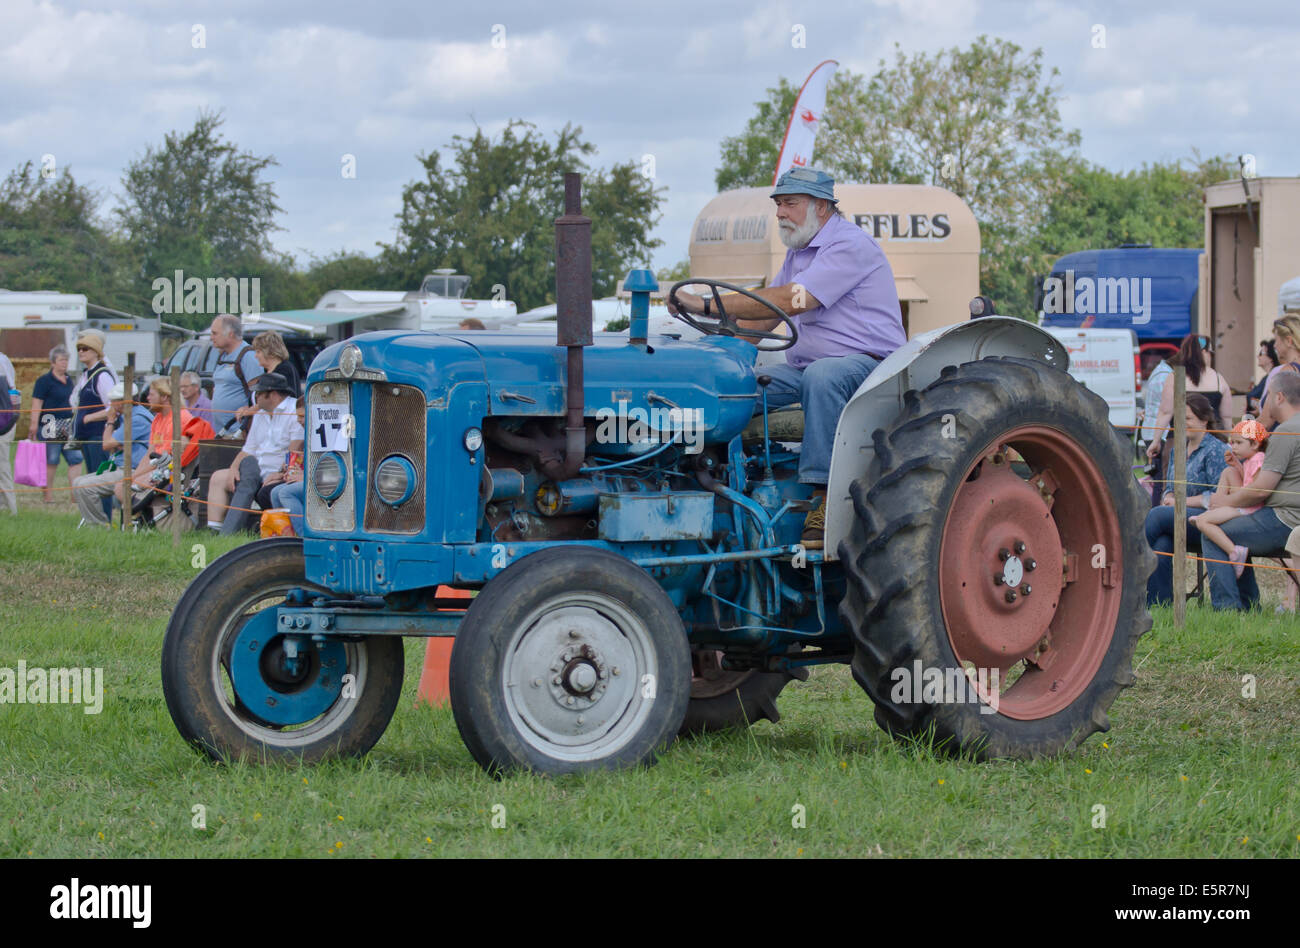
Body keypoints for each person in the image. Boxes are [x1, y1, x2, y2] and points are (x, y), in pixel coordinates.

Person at [666, 167, 905, 548]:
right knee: (735, 389)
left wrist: (707, 303)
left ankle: (825, 498)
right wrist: (721, 365)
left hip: (871, 368)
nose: (780, 213)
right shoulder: (799, 253)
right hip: (804, 368)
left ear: (822, 207)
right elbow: (763, 313)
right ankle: (705, 479)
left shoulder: (849, 245)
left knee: (823, 376)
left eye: (790, 203)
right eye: (778, 204)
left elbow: (790, 300)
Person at [1202, 372, 1300, 610]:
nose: (1262, 403)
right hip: (1290, 517)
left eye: (1264, 397)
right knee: (1231, 534)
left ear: (1278, 397)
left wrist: (1224, 502)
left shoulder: (1286, 431)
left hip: (1284, 518)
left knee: (1214, 535)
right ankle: (1247, 604)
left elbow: (1260, 490)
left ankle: (1230, 609)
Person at [1143, 393, 1228, 606]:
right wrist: (1168, 496)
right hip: (1177, 518)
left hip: (1206, 520)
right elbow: (1169, 487)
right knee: (1160, 546)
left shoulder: (1216, 450)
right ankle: (1160, 605)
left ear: (1204, 419)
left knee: (1157, 515)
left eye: (1188, 418)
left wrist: (1181, 504)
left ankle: (1131, 557)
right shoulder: (1177, 450)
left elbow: (1218, 498)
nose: (1182, 424)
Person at [206, 373, 303, 534]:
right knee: (218, 478)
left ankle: (233, 530)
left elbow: (295, 451)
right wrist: (233, 469)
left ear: (272, 394)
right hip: (256, 469)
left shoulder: (294, 411)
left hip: (277, 471)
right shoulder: (260, 415)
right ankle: (214, 531)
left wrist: (280, 473)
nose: (255, 397)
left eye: (258, 393)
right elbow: (248, 449)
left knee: (256, 483)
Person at [112, 376, 210, 509]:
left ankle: (143, 521)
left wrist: (136, 479)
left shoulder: (179, 419)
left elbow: (164, 459)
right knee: (122, 485)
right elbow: (150, 453)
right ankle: (139, 521)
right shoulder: (158, 418)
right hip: (157, 467)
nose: (147, 398)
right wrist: (134, 476)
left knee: (123, 487)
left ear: (164, 397)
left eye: (152, 394)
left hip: (169, 471)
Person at [1190, 419, 1269, 576]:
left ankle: (1234, 552)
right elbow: (1247, 480)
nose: (1234, 447)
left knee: (1202, 521)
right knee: (1228, 471)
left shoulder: (1259, 458)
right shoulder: (1250, 460)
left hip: (1248, 507)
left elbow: (1255, 488)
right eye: (1232, 443)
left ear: (1255, 444)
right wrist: (1236, 465)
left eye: (1239, 443)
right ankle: (1215, 509)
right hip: (1244, 503)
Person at [71, 381, 153, 527]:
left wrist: (110, 421)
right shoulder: (129, 415)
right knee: (77, 482)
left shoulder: (136, 419)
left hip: (133, 470)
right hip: (121, 465)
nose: (110, 404)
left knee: (84, 486)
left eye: (113, 401)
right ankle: (96, 523)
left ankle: (98, 527)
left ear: (122, 403)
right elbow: (112, 444)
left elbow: (106, 444)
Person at [28, 344, 84, 502]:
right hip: (49, 423)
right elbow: (37, 403)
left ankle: (75, 495)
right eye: (61, 360)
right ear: (53, 362)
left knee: (76, 458)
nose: (64, 363)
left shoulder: (69, 380)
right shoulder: (44, 381)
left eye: (66, 360)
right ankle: (48, 496)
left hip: (68, 423)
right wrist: (33, 423)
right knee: (51, 460)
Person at [69, 329, 116, 475]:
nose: (81, 352)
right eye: (79, 349)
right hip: (86, 435)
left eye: (85, 349)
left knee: (99, 476)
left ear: (96, 351)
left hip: (99, 435)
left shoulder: (102, 375)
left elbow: (113, 407)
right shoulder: (86, 375)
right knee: (91, 476)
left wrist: (89, 418)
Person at [208, 314, 263, 438]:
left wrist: (248, 411)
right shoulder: (223, 356)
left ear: (230, 334)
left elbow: (259, 395)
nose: (211, 337)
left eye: (215, 333)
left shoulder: (248, 356)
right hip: (222, 432)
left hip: (239, 433)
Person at [1258, 315, 1300, 429]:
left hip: (1284, 440)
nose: (1275, 345)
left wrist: (1240, 431)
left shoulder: (1287, 373)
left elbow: (1265, 421)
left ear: (1288, 341)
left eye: (1276, 340)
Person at [0, 346, 16, 514]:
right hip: (7, 420)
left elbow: (11, 394)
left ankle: (11, 510)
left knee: (2, 467)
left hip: (3, 425)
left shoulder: (1, 362)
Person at [1246, 340, 1280, 415]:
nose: (1258, 356)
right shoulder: (1266, 378)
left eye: (1261, 353)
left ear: (1271, 357)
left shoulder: (1274, 378)